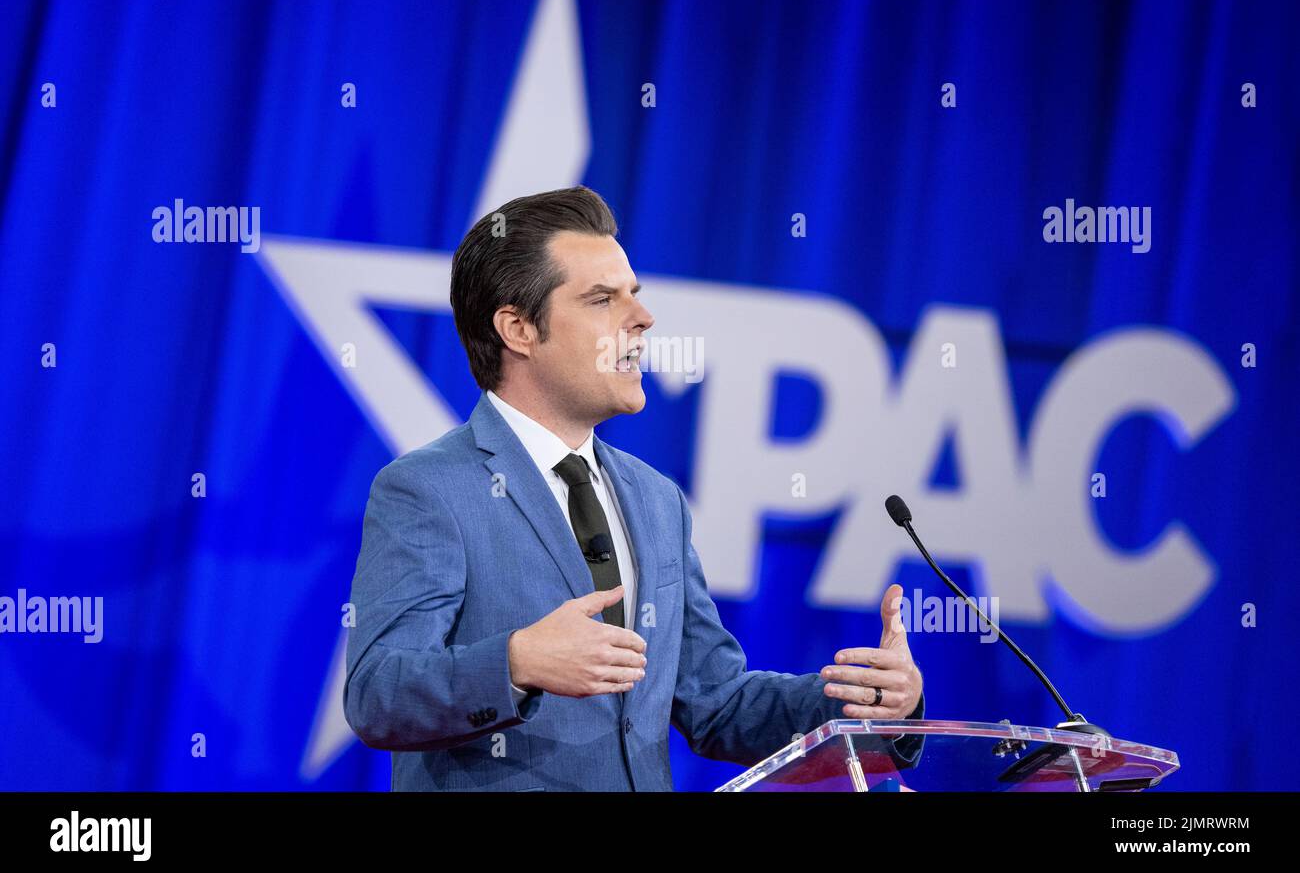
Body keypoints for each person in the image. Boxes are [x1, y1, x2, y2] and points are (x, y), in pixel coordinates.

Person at [343, 186, 925, 790]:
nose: (642, 318)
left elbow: (716, 700)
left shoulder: (656, 501)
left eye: (634, 296)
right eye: (601, 300)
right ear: (518, 328)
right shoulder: (428, 489)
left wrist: (870, 707)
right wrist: (518, 661)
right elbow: (377, 692)